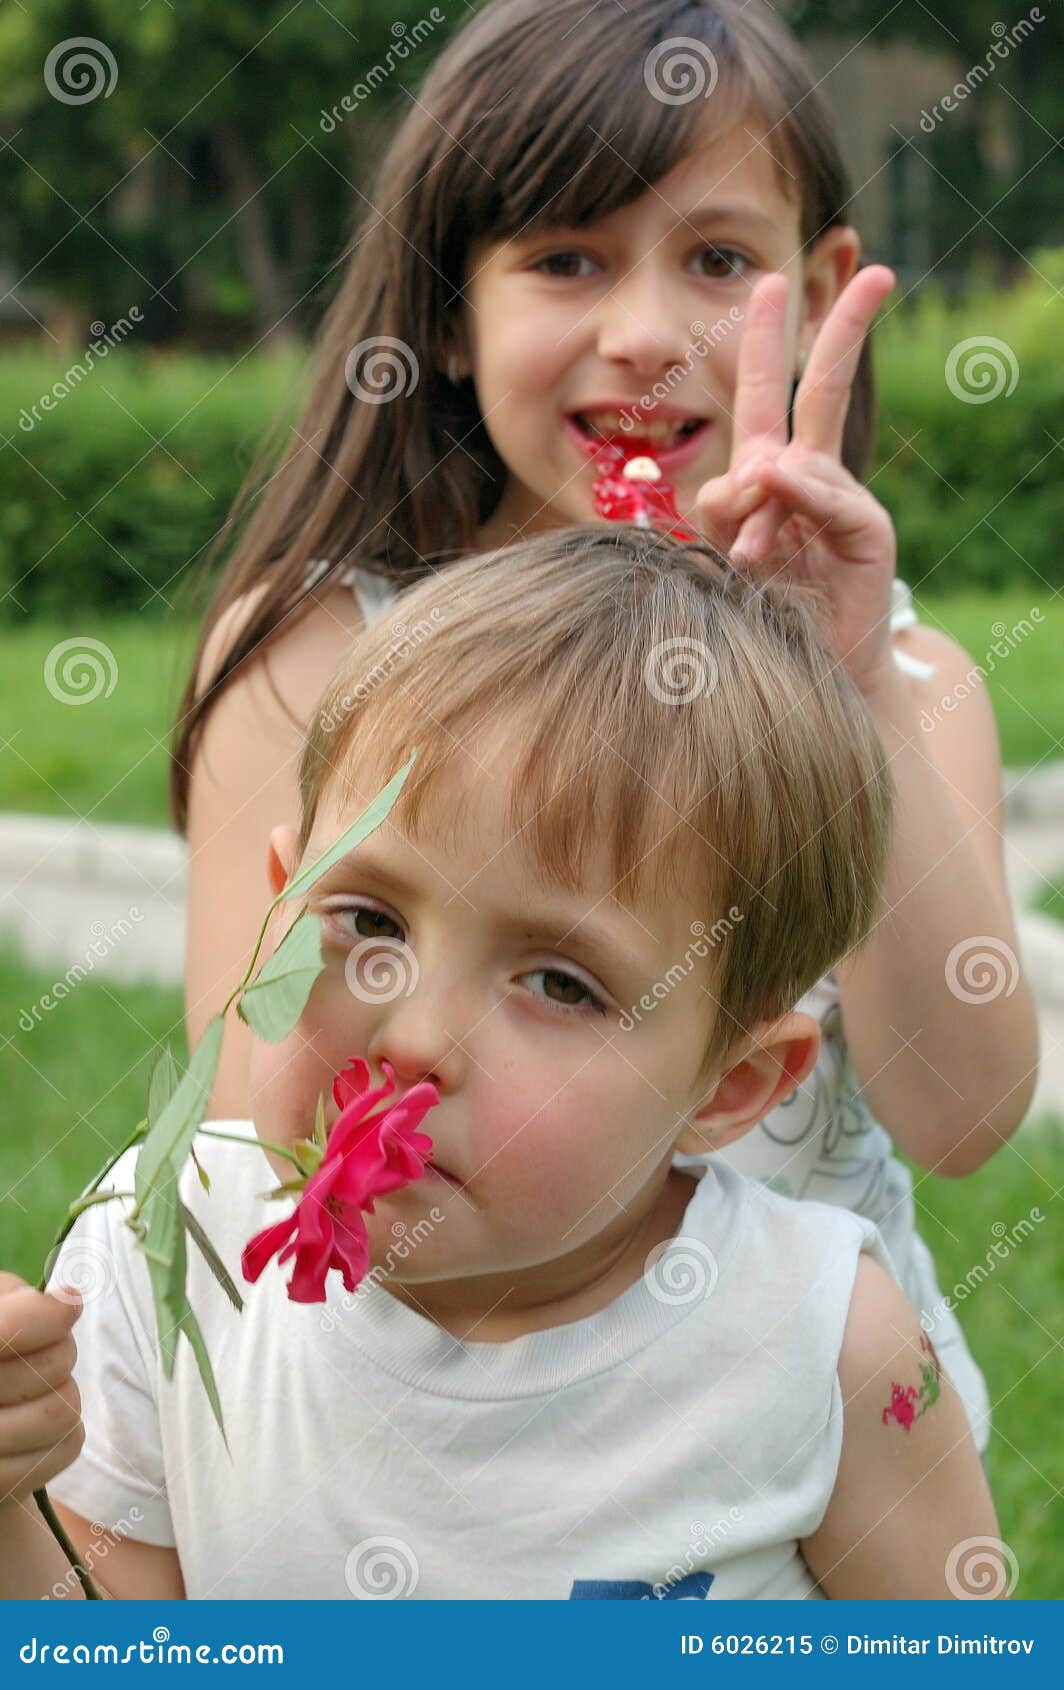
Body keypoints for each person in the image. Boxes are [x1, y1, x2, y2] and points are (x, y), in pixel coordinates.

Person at [171, 0, 1037, 1457]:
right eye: (566, 259)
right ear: (448, 311)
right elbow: (248, 1120)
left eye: (717, 260)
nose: (644, 335)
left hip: (795, 1442)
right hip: (415, 1424)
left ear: (821, 290)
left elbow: (961, 1114)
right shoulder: (319, 651)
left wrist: (856, 694)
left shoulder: (908, 677)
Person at [4, 529, 999, 1598]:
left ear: (730, 1086)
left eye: (561, 984)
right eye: (369, 918)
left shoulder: (829, 1347)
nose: (416, 1033)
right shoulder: (166, 1257)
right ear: (280, 894)